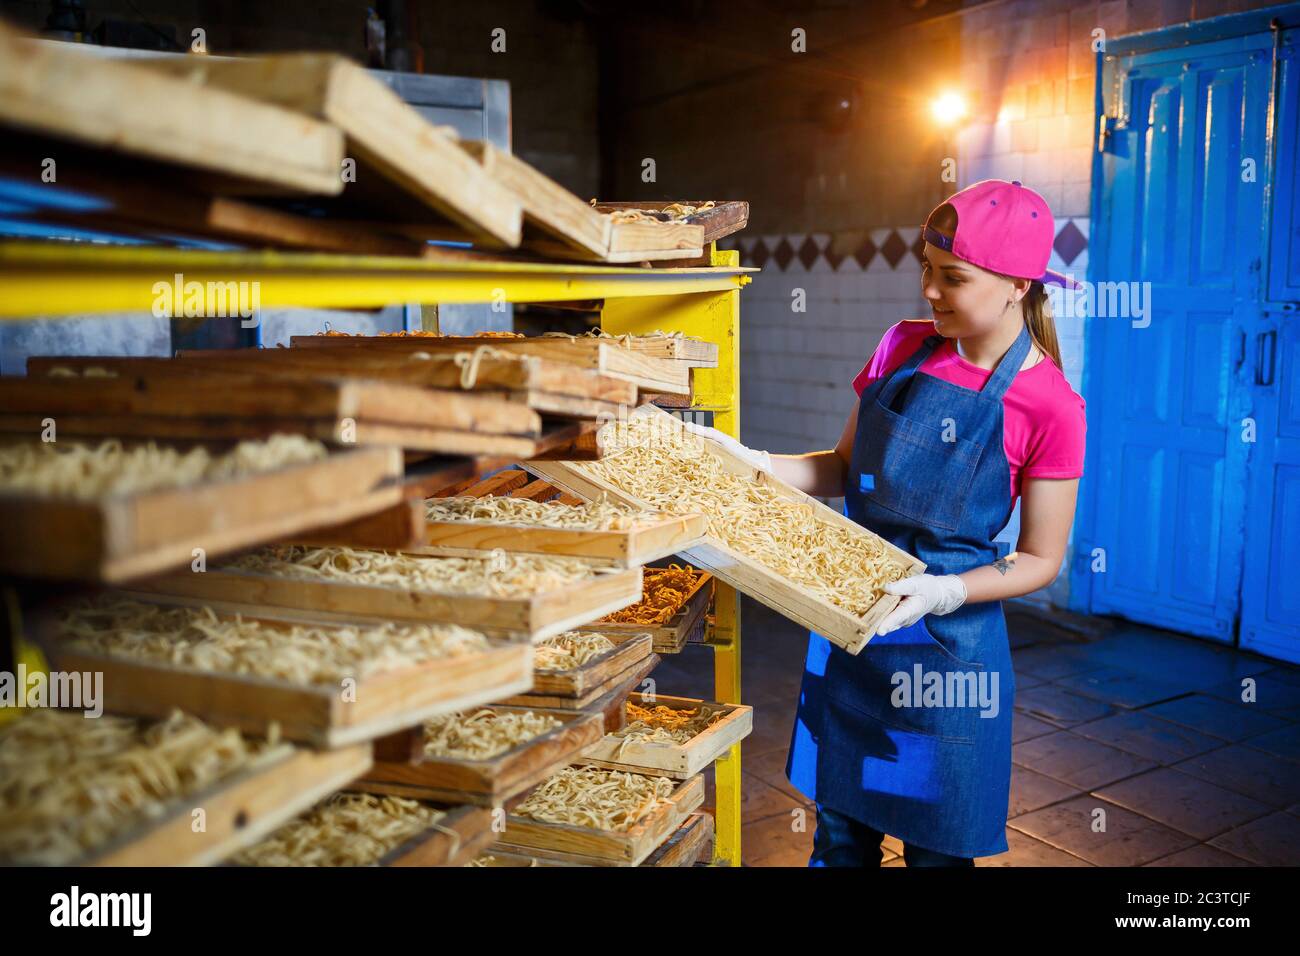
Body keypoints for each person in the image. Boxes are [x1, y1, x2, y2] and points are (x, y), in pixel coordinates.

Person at [686, 179, 1087, 866]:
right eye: (926, 270)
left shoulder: (1050, 405)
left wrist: (943, 591)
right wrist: (752, 462)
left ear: (1018, 284)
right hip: (850, 629)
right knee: (840, 839)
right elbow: (841, 469)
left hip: (949, 661)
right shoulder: (902, 347)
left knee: (937, 849)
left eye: (952, 278)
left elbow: (1040, 559)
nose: (929, 293)